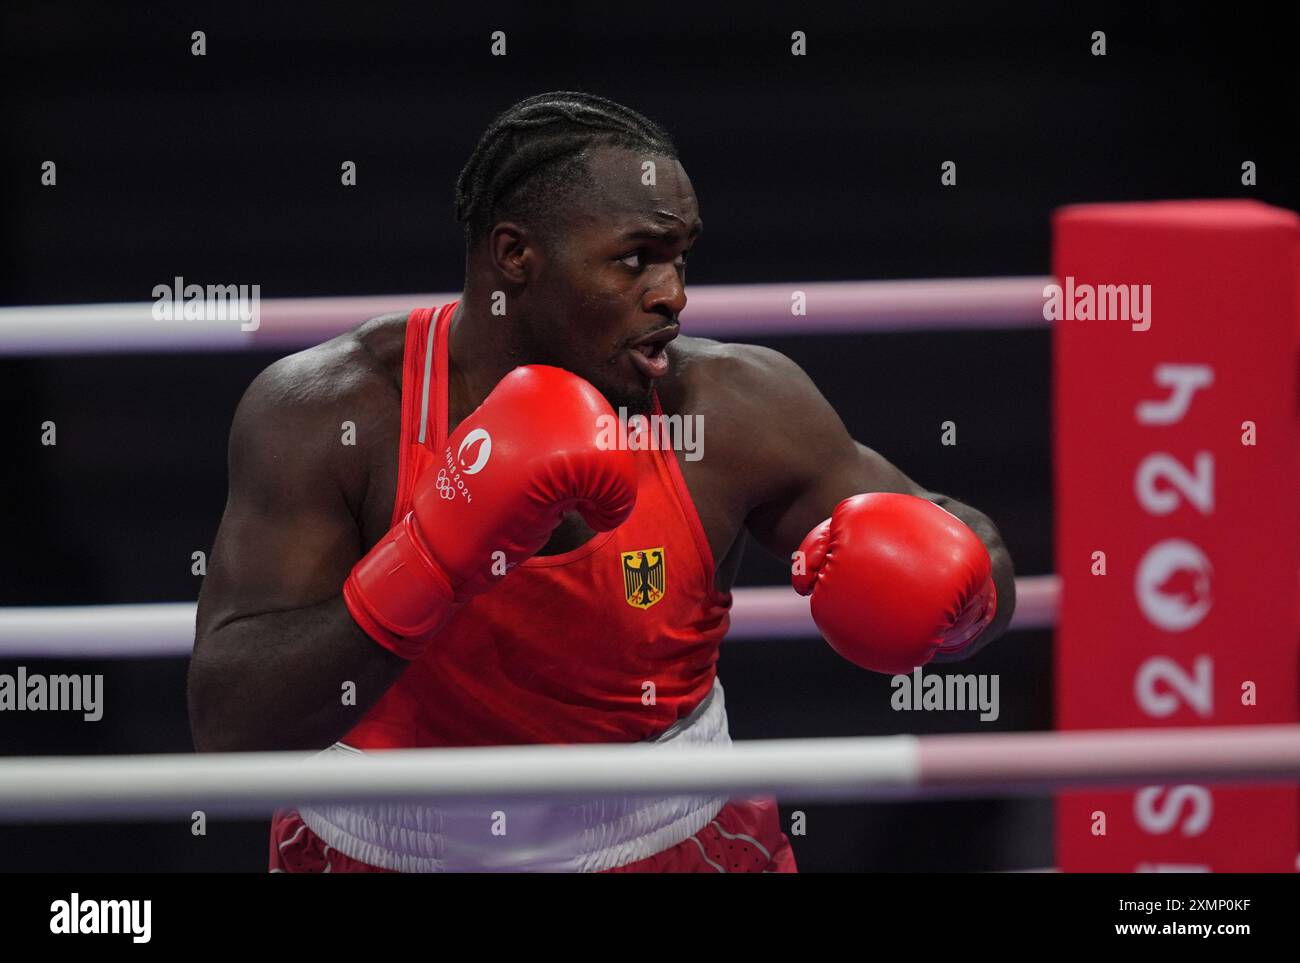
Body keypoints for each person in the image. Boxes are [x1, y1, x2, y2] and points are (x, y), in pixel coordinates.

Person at [187, 91, 1016, 873]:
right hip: (380, 842)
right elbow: (231, 728)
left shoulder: (731, 408)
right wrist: (429, 560)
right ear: (516, 255)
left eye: (681, 258)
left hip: (668, 833)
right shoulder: (336, 413)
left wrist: (960, 593)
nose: (674, 296)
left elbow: (975, 549)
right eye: (636, 259)